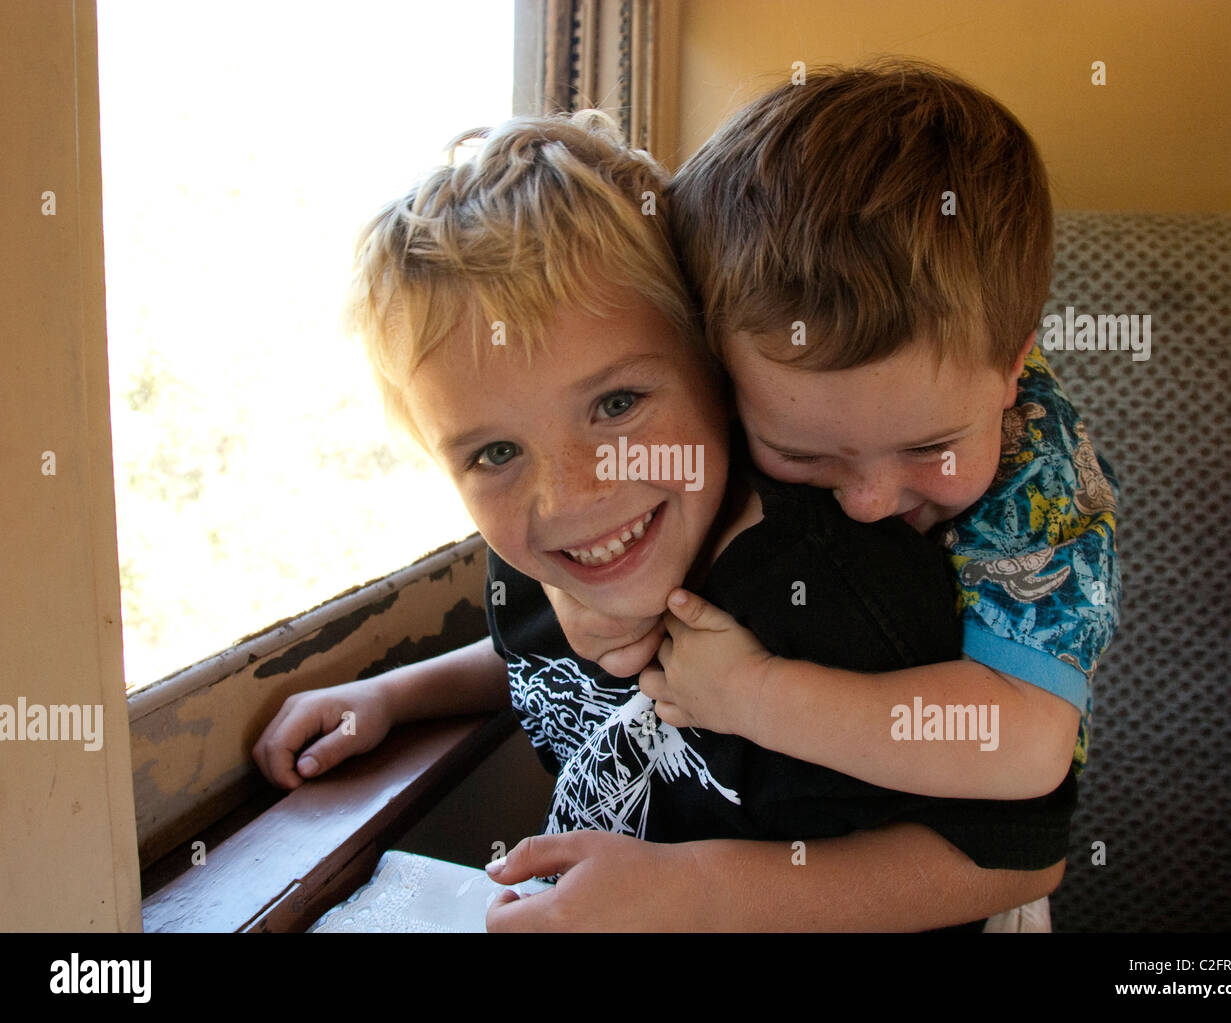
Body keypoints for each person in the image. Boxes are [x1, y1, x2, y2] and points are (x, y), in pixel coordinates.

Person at [253, 109, 1073, 931]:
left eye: (617, 404)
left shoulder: (833, 593)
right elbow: (538, 656)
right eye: (495, 453)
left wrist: (702, 892)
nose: (570, 496)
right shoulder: (549, 556)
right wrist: (395, 695)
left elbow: (1016, 858)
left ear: (719, 368)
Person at [547, 59, 1121, 809]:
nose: (869, 501)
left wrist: (759, 695)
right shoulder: (719, 389)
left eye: (929, 447)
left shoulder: (1043, 479)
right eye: (803, 453)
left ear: (1014, 369)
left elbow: (1021, 740)